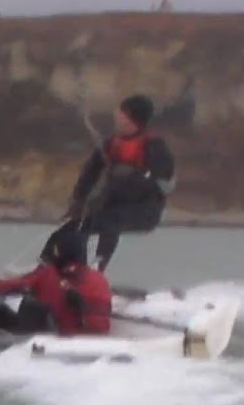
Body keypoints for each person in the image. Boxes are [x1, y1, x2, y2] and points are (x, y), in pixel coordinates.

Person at [59, 94, 175, 272]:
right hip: (113, 205)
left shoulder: (154, 146)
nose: (116, 115)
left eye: (120, 112)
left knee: (107, 222)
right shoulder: (111, 144)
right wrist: (78, 201)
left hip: (145, 209)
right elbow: (89, 174)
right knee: (81, 224)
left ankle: (95, 271)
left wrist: (127, 181)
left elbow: (162, 183)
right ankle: (64, 267)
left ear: (131, 118)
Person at [0, 229, 112, 336]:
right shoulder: (100, 279)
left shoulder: (48, 273)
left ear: (61, 251)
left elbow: (10, 287)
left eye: (56, 249)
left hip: (56, 337)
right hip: (93, 339)